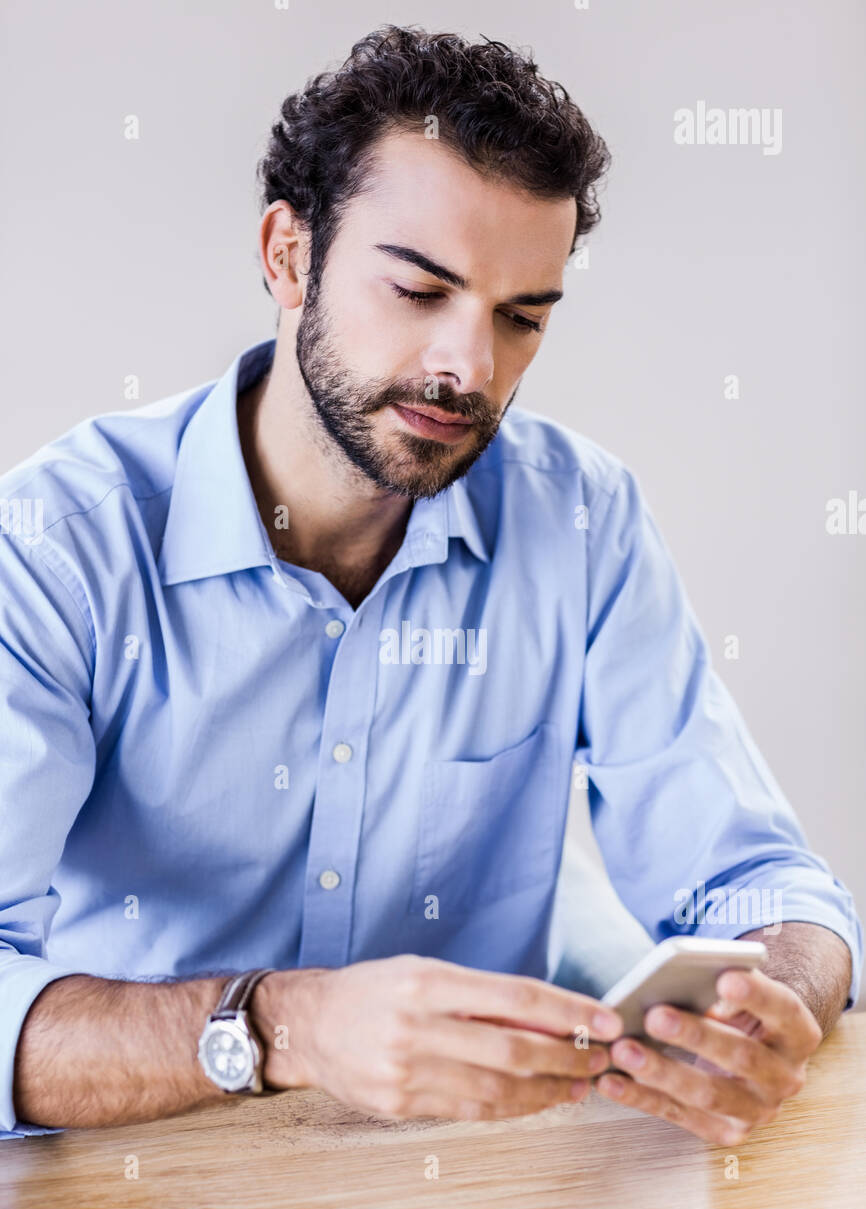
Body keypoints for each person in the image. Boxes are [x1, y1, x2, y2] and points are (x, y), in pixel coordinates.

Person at [1, 26, 859, 1145]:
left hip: (465, 1190)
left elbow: (760, 877)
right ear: (288, 256)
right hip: (134, 1191)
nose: (470, 368)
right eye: (419, 289)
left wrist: (778, 992)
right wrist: (283, 1030)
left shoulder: (579, 520)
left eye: (521, 317)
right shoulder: (58, 551)